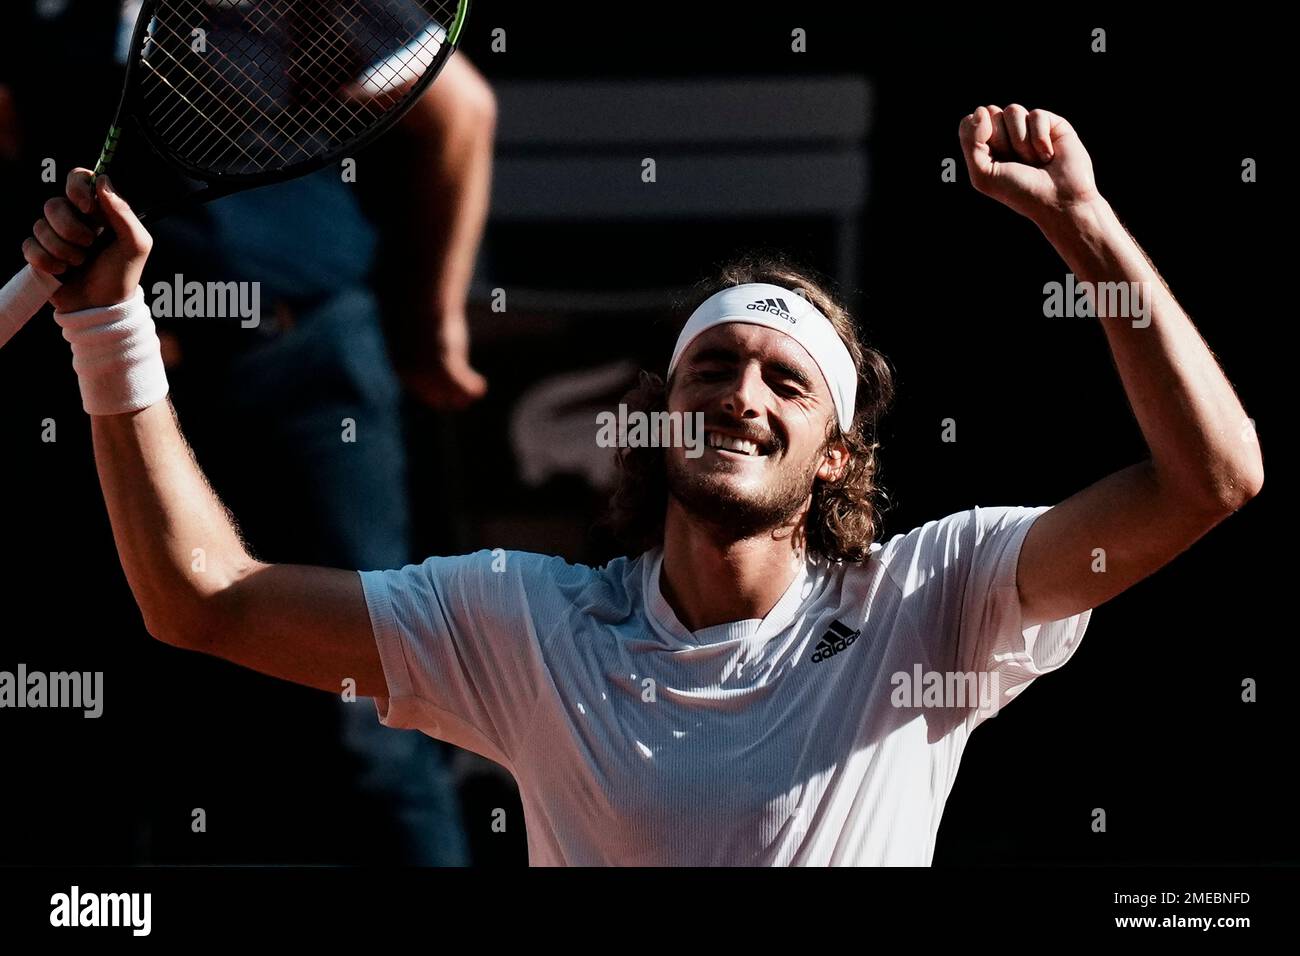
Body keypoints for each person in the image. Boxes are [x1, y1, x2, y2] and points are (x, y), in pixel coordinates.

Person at [21, 104, 1263, 865]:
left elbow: (1210, 477)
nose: (740, 394)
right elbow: (202, 598)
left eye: (786, 381)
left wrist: (1085, 226)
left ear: (837, 453)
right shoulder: (525, 623)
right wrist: (108, 327)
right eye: (711, 366)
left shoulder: (933, 598)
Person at [4, 0, 494, 865]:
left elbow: (459, 110)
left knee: (365, 713)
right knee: (89, 718)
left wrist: (433, 322)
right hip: (92, 390)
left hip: (302, 374)